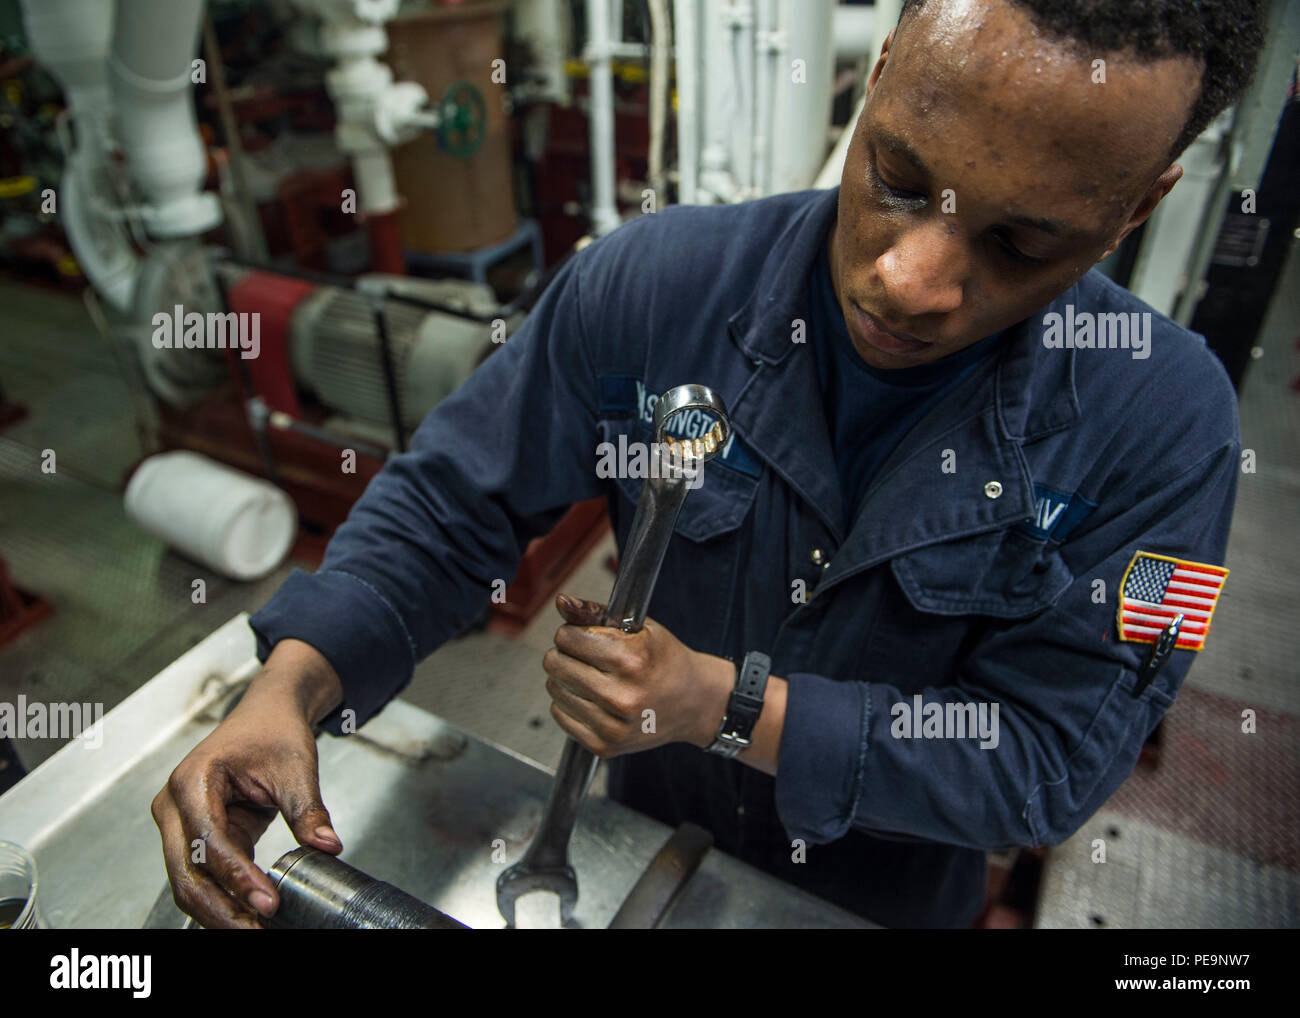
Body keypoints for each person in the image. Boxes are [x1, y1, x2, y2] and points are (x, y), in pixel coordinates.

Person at [153, 0, 1264, 928]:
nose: (908, 279)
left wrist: (724, 707)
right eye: (897, 176)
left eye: (1019, 243)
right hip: (628, 848)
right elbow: (453, 504)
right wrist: (291, 684)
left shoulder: (1173, 427)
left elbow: (1053, 761)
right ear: (877, 74)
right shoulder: (652, 285)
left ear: (1136, 209)